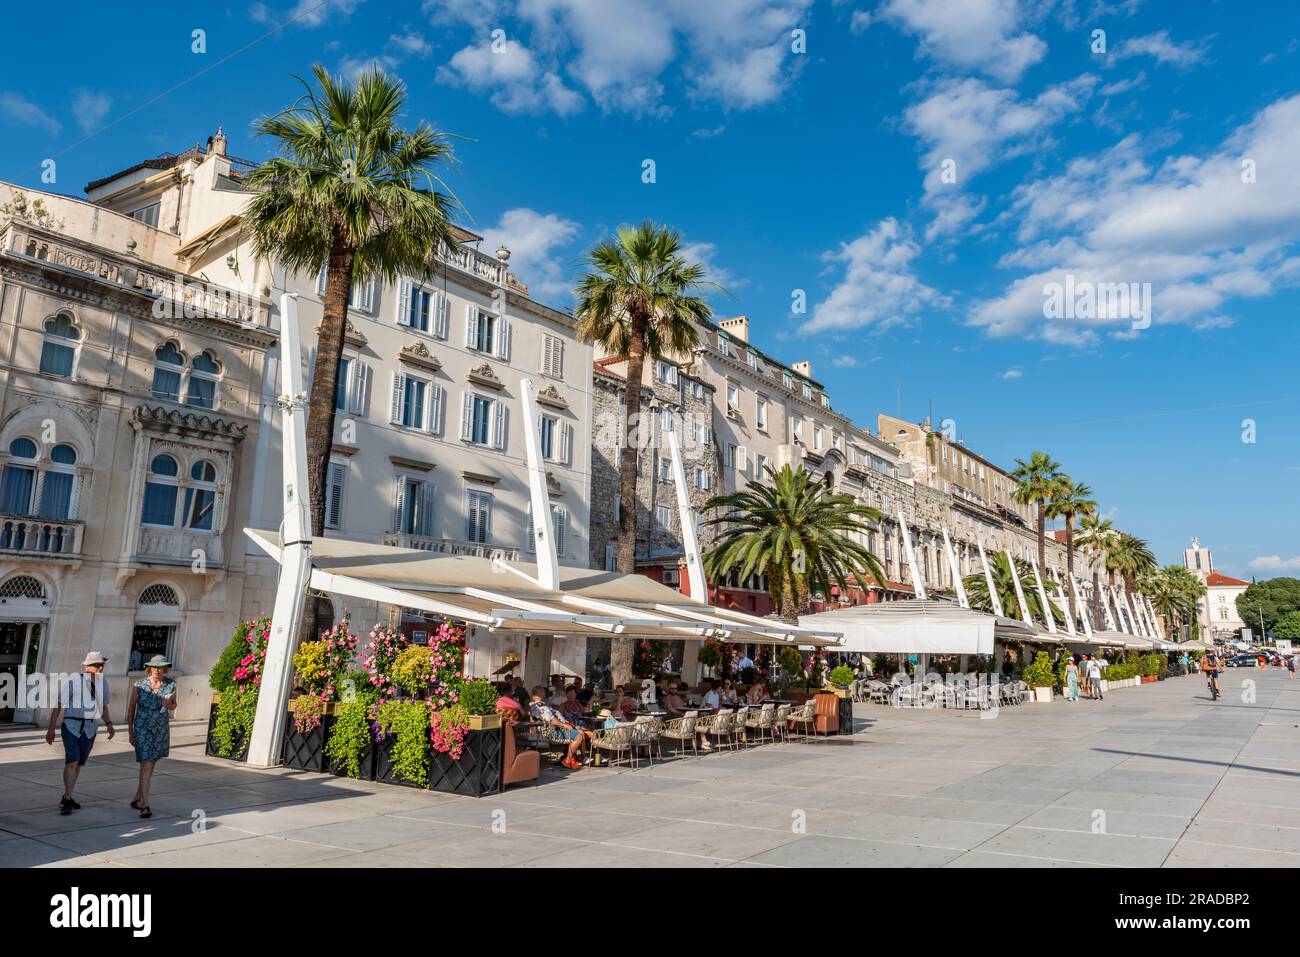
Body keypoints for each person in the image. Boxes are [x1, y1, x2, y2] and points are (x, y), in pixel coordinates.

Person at [46, 652, 116, 815]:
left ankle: (67, 795)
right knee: (72, 760)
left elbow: (103, 706)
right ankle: (68, 797)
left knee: (79, 764)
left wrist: (109, 724)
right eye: (97, 665)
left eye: (101, 665)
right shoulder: (74, 681)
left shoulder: (103, 683)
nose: (100, 668)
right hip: (71, 725)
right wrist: (51, 728)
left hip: (90, 727)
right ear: (87, 667)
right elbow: (59, 704)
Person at [126, 655, 177, 819]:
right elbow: (131, 709)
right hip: (142, 729)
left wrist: (169, 704)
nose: (157, 670)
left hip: (160, 729)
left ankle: (136, 798)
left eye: (161, 667)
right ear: (149, 668)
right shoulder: (139, 685)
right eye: (154, 667)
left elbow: (174, 704)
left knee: (149, 766)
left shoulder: (171, 684)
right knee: (147, 766)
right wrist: (130, 732)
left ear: (165, 669)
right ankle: (145, 804)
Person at [529, 687, 588, 769]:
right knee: (579, 735)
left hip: (544, 732)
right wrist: (564, 725)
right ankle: (568, 759)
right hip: (551, 733)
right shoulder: (541, 706)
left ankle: (574, 758)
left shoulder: (533, 705)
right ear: (540, 693)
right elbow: (553, 720)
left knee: (579, 731)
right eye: (543, 691)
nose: (545, 693)